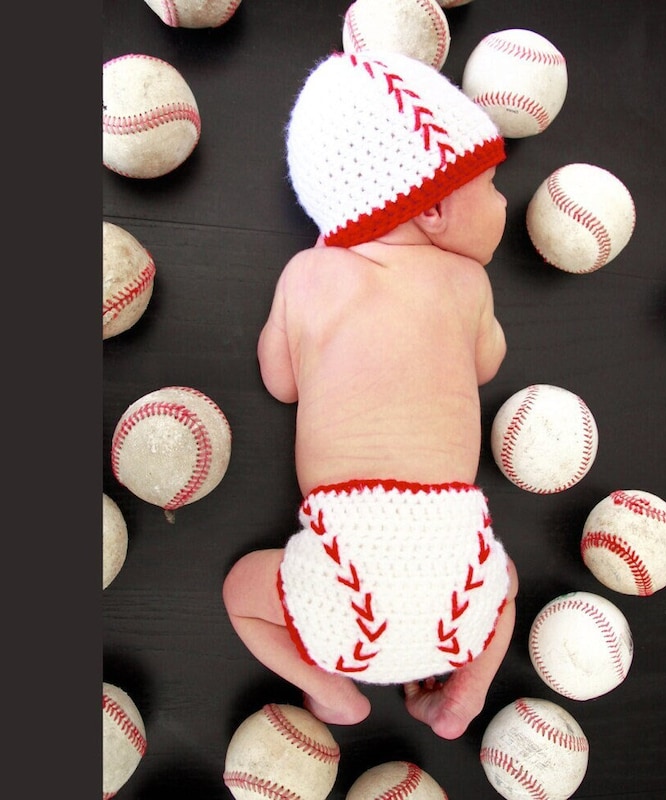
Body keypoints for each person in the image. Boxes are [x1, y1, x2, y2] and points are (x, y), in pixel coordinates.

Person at [222, 50, 518, 741]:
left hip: (343, 582)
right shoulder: (466, 286)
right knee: (503, 589)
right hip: (460, 590)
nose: (505, 203)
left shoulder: (309, 275)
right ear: (438, 208)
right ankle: (463, 694)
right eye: (494, 184)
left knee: (245, 591)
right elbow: (486, 365)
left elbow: (280, 380)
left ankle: (334, 695)